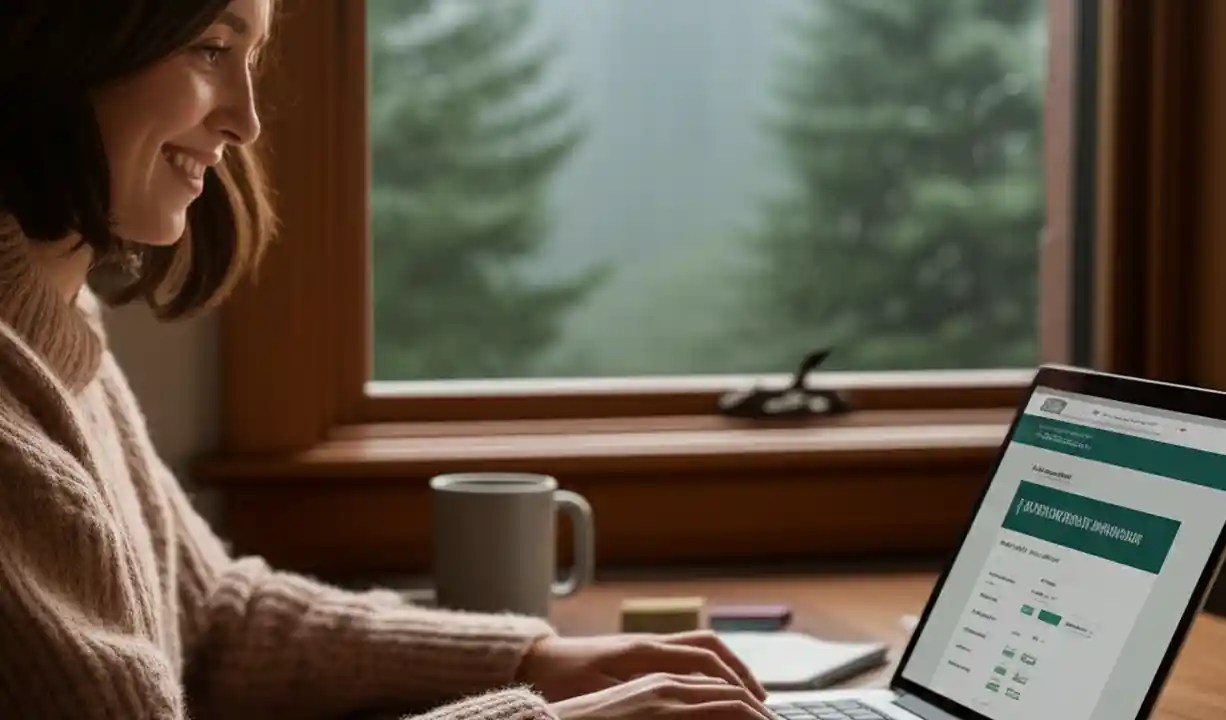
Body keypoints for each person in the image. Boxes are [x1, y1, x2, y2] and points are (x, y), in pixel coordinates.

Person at [0, 1, 775, 718]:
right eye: (210, 48)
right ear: (66, 40)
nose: (247, 121)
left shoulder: (59, 326)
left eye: (253, 59)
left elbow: (215, 620)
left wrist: (535, 657)